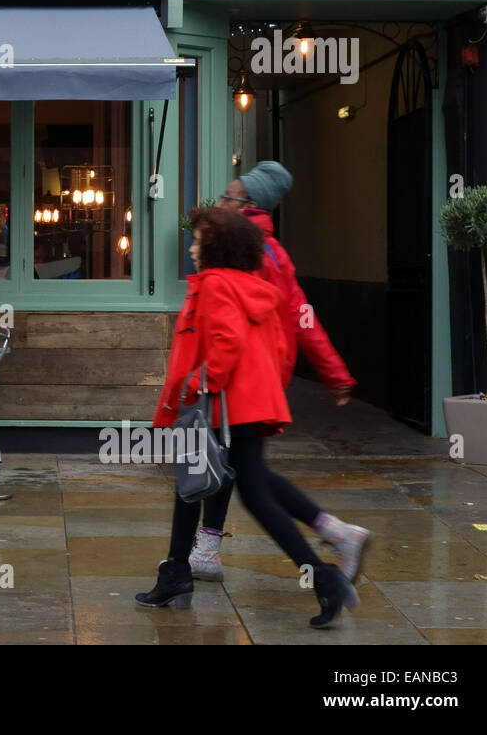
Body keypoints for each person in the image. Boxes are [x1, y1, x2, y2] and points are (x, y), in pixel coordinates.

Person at [135, 208, 359, 628]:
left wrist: (202, 382)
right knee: (196, 487)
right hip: (243, 405)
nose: (192, 247)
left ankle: (324, 578)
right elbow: (268, 346)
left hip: (220, 407)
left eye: (199, 241)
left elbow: (226, 340)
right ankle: (175, 573)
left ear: (217, 247)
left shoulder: (216, 284)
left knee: (246, 495)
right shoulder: (248, 285)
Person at [188, 161, 370, 585]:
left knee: (237, 471)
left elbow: (272, 320)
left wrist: (206, 374)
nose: (219, 202)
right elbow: (303, 315)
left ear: (249, 203)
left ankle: (330, 554)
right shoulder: (264, 248)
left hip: (243, 381)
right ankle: (210, 548)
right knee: (233, 466)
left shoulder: (250, 250)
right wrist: (335, 373)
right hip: (254, 380)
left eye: (228, 197)